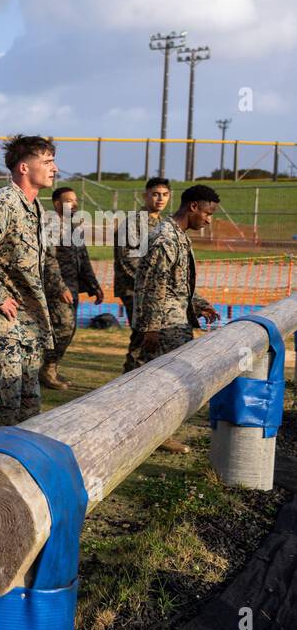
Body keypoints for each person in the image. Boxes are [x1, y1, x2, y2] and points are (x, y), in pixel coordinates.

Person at [0, 135, 68, 429]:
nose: (54, 168)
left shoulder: (34, 208)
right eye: (46, 161)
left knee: (27, 413)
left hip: (25, 328)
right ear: (23, 167)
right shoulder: (4, 202)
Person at [133, 184, 222, 454]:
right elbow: (152, 286)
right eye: (207, 213)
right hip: (164, 326)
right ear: (193, 207)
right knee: (160, 385)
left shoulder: (178, 235)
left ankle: (157, 433)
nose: (208, 220)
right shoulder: (164, 238)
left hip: (175, 321)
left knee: (163, 382)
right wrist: (150, 329)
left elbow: (177, 283)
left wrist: (199, 305)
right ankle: (156, 435)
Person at [39, 187, 102, 390]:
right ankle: (46, 370)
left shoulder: (74, 227)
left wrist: (94, 286)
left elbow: (83, 258)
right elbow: (49, 261)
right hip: (56, 289)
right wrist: (60, 288)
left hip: (73, 288)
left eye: (75, 200)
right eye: (69, 201)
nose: (74, 205)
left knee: (69, 329)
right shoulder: (50, 226)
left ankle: (51, 368)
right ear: (57, 204)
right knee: (62, 328)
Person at [118, 177, 172, 372]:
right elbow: (128, 260)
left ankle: (135, 376)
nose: (160, 199)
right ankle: (130, 378)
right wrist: (150, 284)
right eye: (155, 194)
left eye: (165, 195)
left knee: (150, 334)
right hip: (134, 289)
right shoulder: (133, 223)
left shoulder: (164, 224)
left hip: (155, 290)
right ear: (145, 196)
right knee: (143, 333)